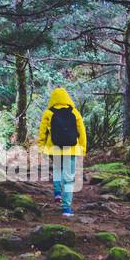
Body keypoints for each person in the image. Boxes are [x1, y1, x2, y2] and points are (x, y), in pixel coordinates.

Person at [36, 87, 87, 216]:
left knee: (58, 170)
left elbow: (42, 133)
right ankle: (66, 209)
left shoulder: (48, 113)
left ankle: (57, 192)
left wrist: (41, 147)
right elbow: (82, 132)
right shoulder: (74, 112)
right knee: (69, 179)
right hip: (72, 148)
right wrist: (83, 148)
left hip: (54, 148)